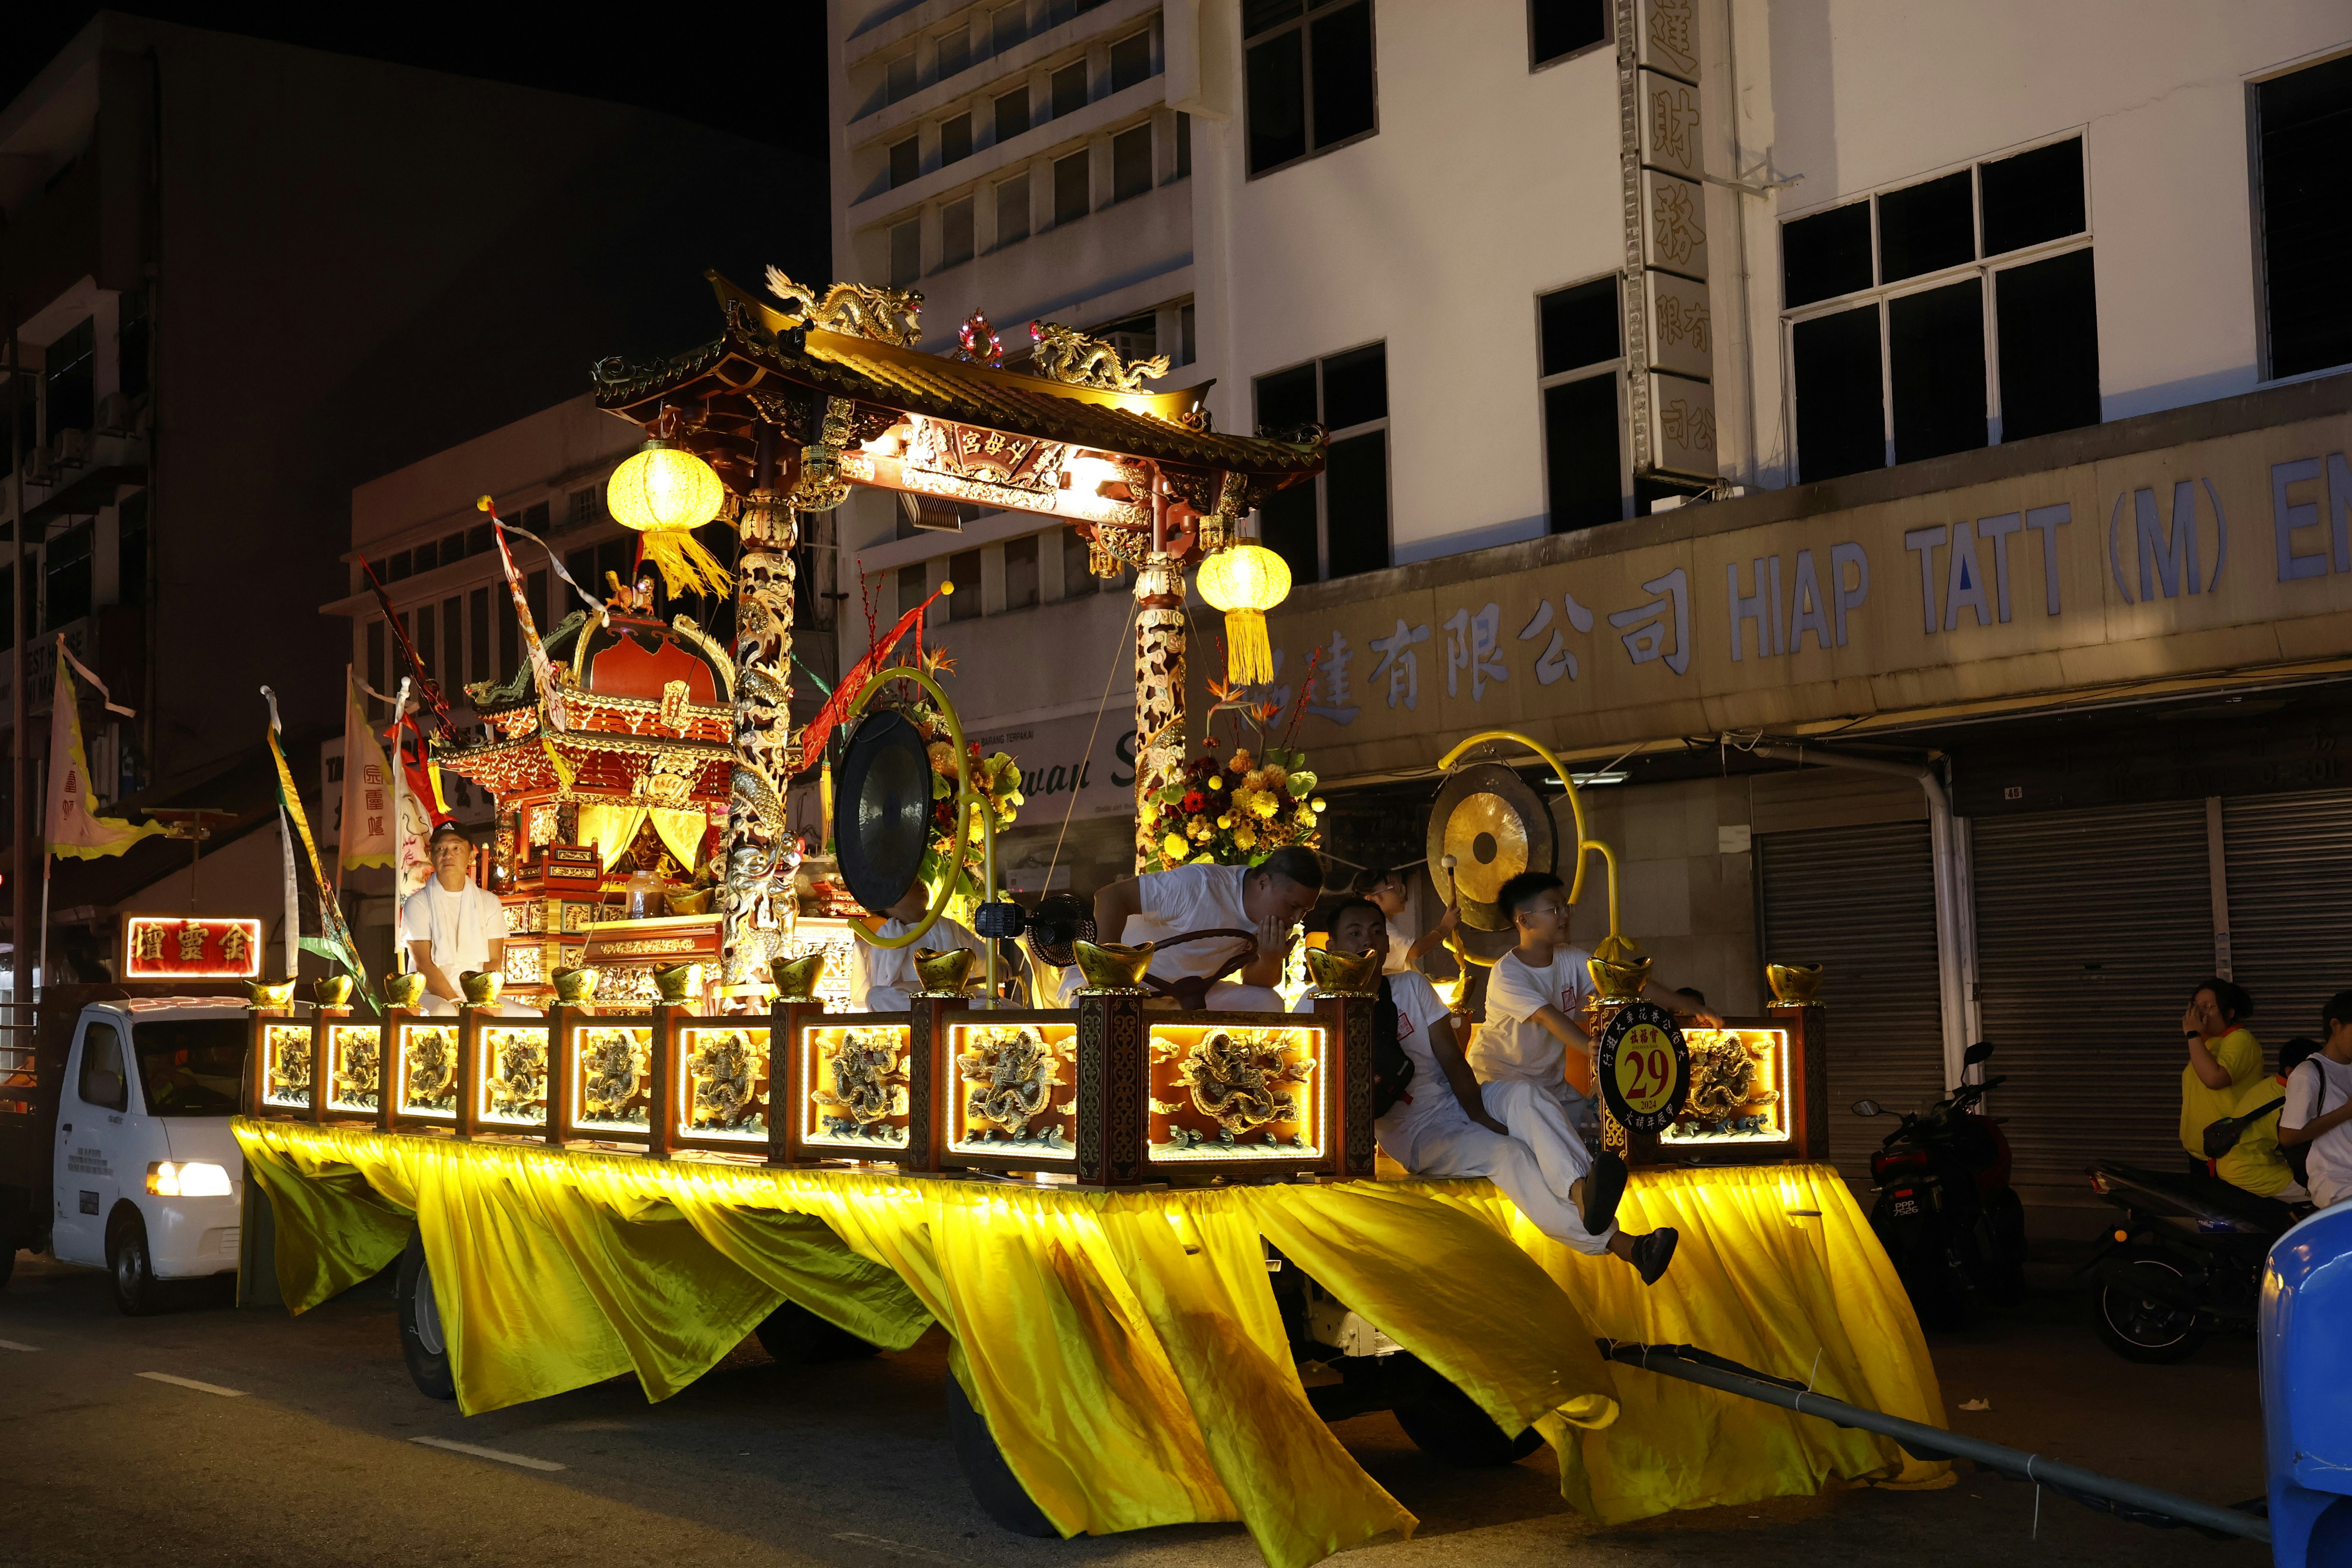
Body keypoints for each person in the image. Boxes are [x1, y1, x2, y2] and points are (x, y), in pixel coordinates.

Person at [1304, 898, 1677, 1283]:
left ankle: (1582, 1192)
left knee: (1526, 1096)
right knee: (1508, 1154)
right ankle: (1627, 1245)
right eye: (1355, 933)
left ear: (1387, 944)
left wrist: (1479, 1114)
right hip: (1415, 1132)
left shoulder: (1410, 986)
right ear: (1331, 947)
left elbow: (1452, 1059)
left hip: (1459, 1101)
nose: (1367, 941)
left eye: (1376, 932)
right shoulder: (1314, 1006)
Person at [1467, 871, 1722, 1128]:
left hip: (1551, 1088)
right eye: (1555, 909)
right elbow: (1546, 1016)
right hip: (1501, 1082)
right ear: (1525, 920)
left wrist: (1688, 1005)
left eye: (1566, 907)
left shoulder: (1570, 958)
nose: (1565, 915)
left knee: (1599, 1126)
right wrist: (1588, 1046)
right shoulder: (1507, 973)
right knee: (1547, 1125)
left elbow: (1623, 980)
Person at [1092, 846, 1323, 1010]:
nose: (1296, 918)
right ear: (1264, 882)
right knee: (1094, 1009)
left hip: (1195, 996)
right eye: (1293, 906)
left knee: (1267, 1002)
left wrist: (1271, 959)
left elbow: (1254, 981)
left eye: (1305, 911)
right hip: (1128, 988)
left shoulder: (1280, 921)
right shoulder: (1200, 884)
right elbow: (1110, 897)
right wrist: (1110, 976)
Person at [401, 823, 510, 1016]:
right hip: (430, 994)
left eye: (456, 848)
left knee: (529, 1017)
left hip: (477, 994)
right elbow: (423, 964)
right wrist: (457, 1003)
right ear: (431, 856)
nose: (448, 855)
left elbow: (494, 960)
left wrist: (483, 1000)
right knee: (445, 1013)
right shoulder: (418, 903)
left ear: (471, 856)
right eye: (440, 849)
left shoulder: (490, 902)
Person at [851, 884, 989, 1011]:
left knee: (996, 1003)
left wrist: (998, 967)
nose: (918, 881)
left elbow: (988, 964)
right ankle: (936, 1008)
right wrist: (930, 991)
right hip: (914, 1004)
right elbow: (887, 989)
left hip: (957, 1000)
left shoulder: (950, 927)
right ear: (889, 902)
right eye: (908, 882)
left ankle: (939, 1008)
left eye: (917, 878)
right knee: (876, 997)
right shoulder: (884, 938)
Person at [2213, 1036, 2319, 1203]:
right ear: (2291, 1072)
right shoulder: (2288, 1104)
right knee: (2323, 1192)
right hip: (2248, 1170)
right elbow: (2302, 1151)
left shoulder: (2271, 1085)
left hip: (2237, 1160)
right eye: (2317, 1071)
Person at [2178, 977, 2263, 1173]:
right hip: (2203, 1152)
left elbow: (2215, 1079)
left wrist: (2193, 1035)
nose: (2201, 1013)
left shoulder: (2240, 1039)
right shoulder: (2205, 1043)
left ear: (2230, 1013)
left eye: (2209, 1007)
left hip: (2229, 1152)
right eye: (2196, 1006)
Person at [2280, 991, 2352, 1210]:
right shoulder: (2308, 1074)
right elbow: (2288, 1137)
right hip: (2337, 1182)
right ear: (2336, 1026)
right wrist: (2346, 1111)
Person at [1352, 865, 1459, 976]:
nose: (1402, 893)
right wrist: (1445, 927)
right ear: (1371, 900)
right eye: (1395, 888)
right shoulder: (1377, 927)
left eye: (1401, 887)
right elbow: (1416, 951)